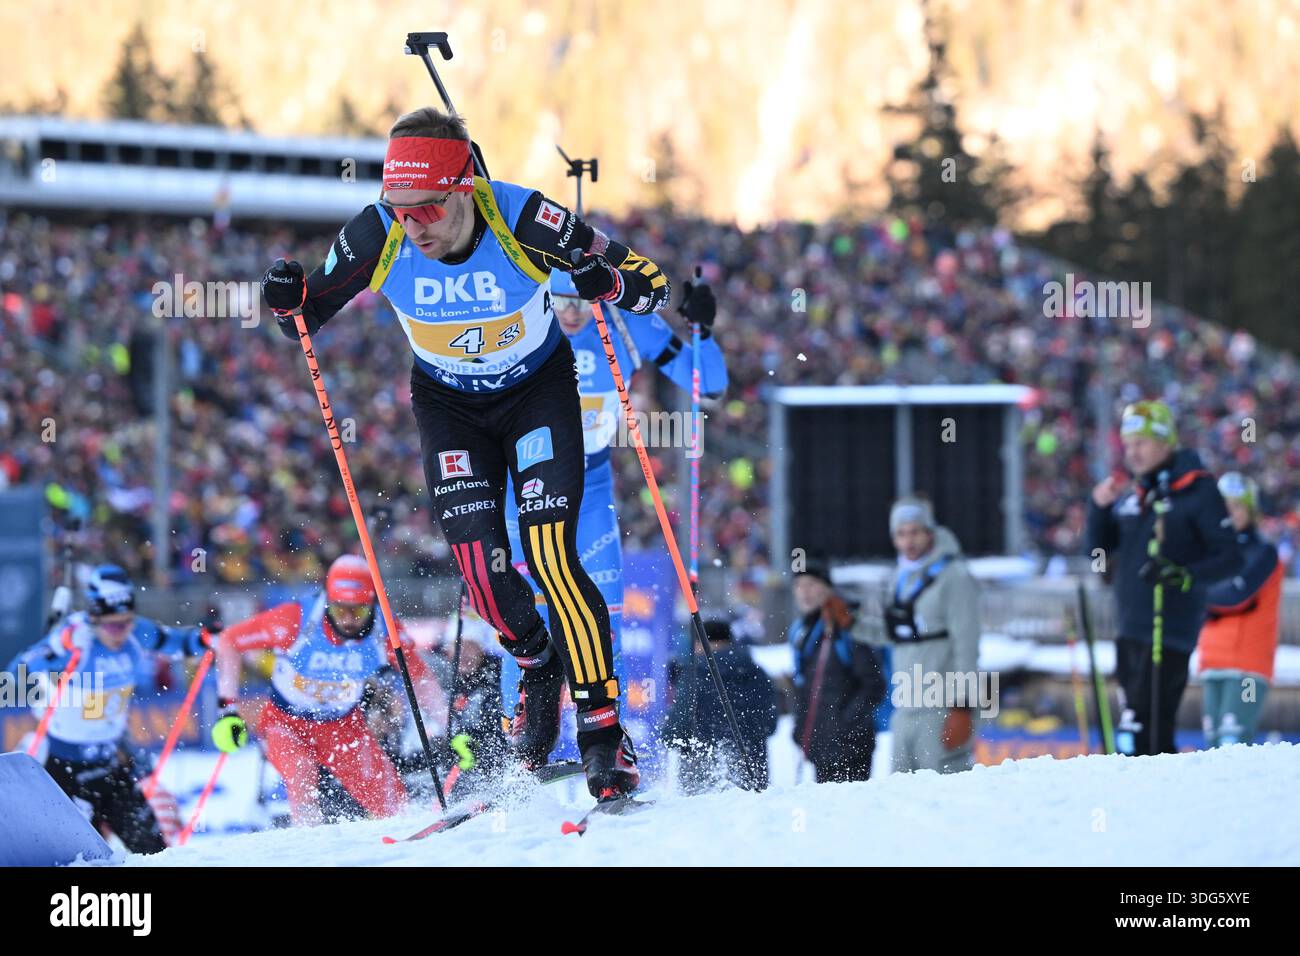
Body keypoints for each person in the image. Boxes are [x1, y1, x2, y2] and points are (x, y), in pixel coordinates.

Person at [261, 107, 671, 799]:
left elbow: (646, 281)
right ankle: (538, 666)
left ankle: (603, 730)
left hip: (537, 395)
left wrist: (609, 284)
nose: (412, 225)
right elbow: (305, 315)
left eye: (426, 209)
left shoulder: (524, 220)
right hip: (451, 410)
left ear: (464, 189)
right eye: (401, 209)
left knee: (547, 552)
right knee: (480, 571)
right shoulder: (378, 231)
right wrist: (284, 300)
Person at [499, 269, 728, 728]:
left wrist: (701, 332)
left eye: (580, 302)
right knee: (527, 623)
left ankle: (609, 738)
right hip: (525, 488)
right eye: (559, 300)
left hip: (590, 486)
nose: (569, 312)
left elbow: (712, 385)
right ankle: (519, 739)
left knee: (604, 618)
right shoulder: (520, 316)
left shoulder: (623, 322)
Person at [211, 554, 444, 826]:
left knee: (390, 800)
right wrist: (227, 710)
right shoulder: (295, 621)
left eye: (357, 611)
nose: (347, 619)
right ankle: (309, 844)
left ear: (371, 604)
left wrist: (448, 724)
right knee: (301, 775)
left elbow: (419, 678)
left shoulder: (385, 631)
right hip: (286, 723)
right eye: (338, 609)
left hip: (343, 725)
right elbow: (230, 640)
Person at [5, 565, 213, 854]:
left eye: (126, 622)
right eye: (113, 625)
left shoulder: (135, 632)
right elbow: (18, 670)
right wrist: (58, 648)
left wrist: (204, 639)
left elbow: (174, 642)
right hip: (66, 769)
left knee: (154, 850)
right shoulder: (76, 636)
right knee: (73, 856)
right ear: (94, 618)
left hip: (111, 764)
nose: (121, 631)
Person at [1086, 400, 1242, 755]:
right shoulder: (1136, 493)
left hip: (1167, 629)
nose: (1132, 453)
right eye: (1127, 445)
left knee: (1150, 729)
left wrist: (1184, 576)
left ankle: (1163, 800)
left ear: (1165, 442)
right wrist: (1098, 509)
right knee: (1131, 729)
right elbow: (1096, 556)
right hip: (1129, 626)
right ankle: (1137, 800)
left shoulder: (1197, 489)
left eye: (1140, 443)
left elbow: (1230, 558)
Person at [873, 498, 982, 774]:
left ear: (930, 533)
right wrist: (852, 622)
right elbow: (894, 634)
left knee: (944, 798)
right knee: (902, 804)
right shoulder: (898, 577)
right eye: (901, 534)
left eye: (915, 532)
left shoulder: (954, 576)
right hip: (905, 709)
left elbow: (967, 645)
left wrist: (963, 706)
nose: (908, 541)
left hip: (941, 709)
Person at [1197, 472, 1281, 747]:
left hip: (1247, 665)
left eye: (1236, 506)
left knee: (1232, 743)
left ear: (1250, 510)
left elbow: (1236, 595)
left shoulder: (1263, 552)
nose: (1229, 514)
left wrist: (1199, 593)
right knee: (1211, 747)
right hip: (1212, 660)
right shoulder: (1211, 552)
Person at [788, 558, 886, 782]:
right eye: (799, 585)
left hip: (850, 748)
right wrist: (801, 728)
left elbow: (874, 685)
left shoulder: (848, 624)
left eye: (812, 584)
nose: (805, 592)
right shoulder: (802, 630)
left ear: (828, 588)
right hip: (820, 746)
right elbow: (805, 684)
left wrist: (845, 726)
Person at [663, 618, 777, 793]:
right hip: (751, 768)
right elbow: (770, 724)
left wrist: (669, 736)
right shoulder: (757, 673)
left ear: (699, 643)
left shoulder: (695, 675)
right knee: (751, 818)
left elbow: (677, 729)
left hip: (702, 775)